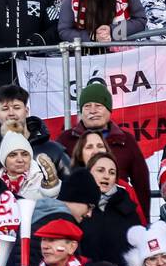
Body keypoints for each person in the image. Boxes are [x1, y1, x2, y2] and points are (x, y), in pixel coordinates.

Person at [58, 80, 150, 216]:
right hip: (78, 215)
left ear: (109, 109)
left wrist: (143, 218)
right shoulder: (66, 139)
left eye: (98, 106)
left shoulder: (125, 140)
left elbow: (141, 183)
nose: (93, 111)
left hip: (118, 212)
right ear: (81, 111)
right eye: (87, 106)